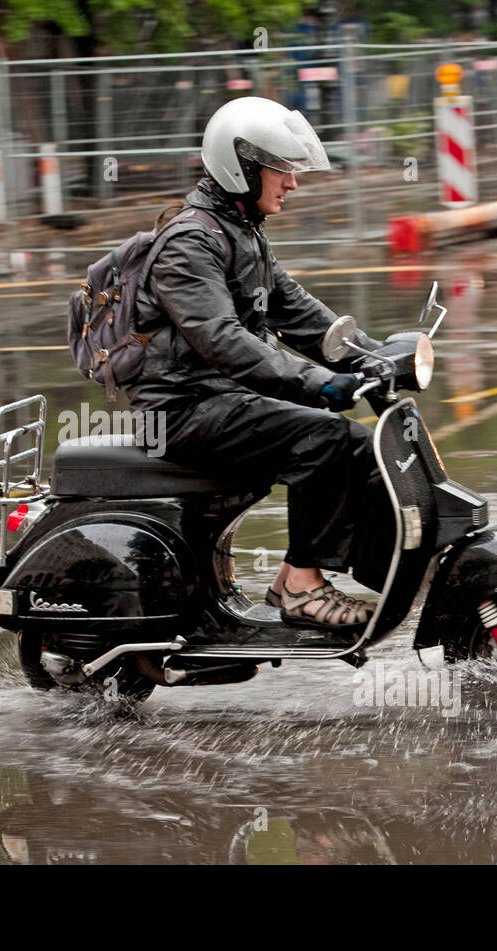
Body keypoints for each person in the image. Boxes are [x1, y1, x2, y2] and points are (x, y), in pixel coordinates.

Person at [128, 96, 382, 628]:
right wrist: (319, 383)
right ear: (242, 167)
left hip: (222, 399)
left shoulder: (242, 232)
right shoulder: (189, 243)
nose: (291, 183)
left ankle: (297, 574)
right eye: (282, 170)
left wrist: (379, 358)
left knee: (353, 441)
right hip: (182, 409)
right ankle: (301, 589)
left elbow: (303, 314)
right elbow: (222, 340)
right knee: (330, 438)